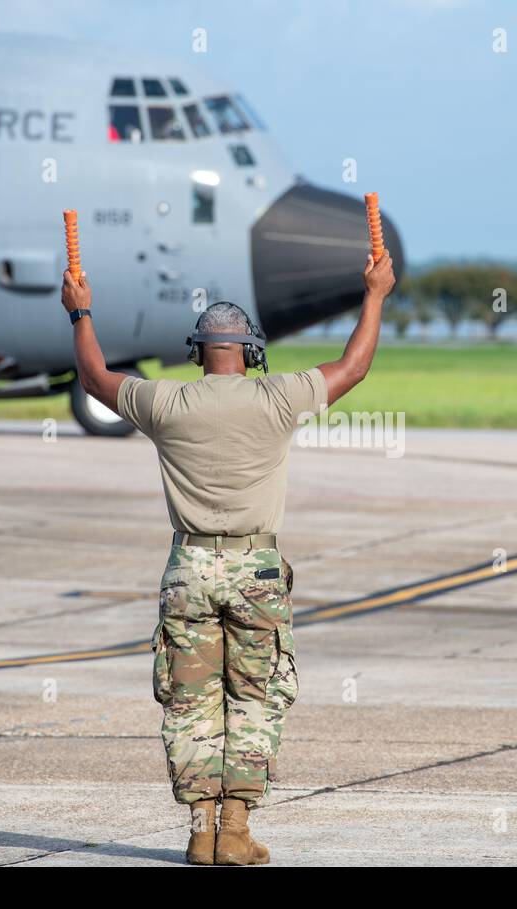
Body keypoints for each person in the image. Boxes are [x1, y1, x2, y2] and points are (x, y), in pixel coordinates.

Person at [61, 252, 396, 864]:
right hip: (256, 572)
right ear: (250, 353)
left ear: (199, 354)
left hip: (188, 569)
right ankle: (236, 830)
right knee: (256, 693)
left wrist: (80, 310)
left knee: (189, 699)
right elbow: (354, 367)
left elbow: (94, 379)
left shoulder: (164, 403)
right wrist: (374, 294)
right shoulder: (277, 398)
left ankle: (199, 829)